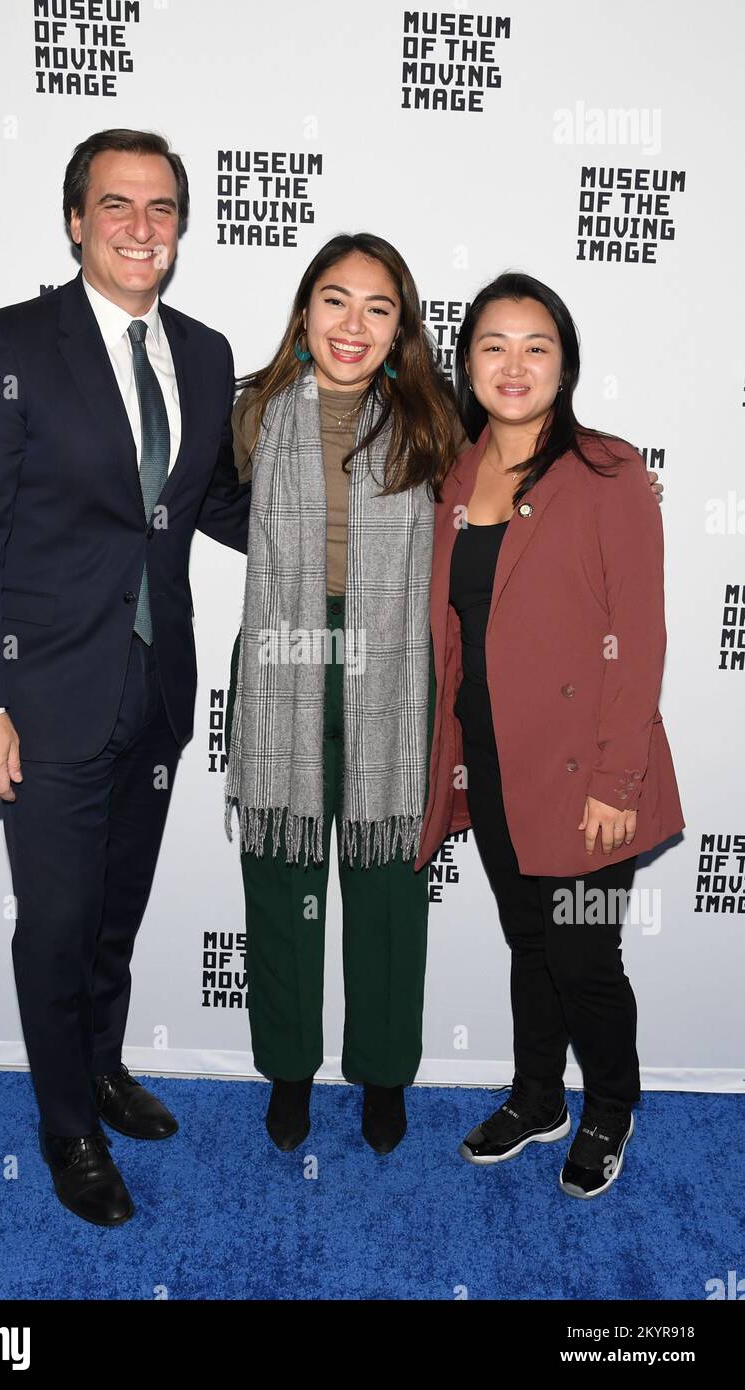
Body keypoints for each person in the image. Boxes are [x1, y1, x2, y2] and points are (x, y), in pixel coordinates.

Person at [0, 128, 250, 1226]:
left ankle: (104, 1067)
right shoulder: (10, 342)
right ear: (75, 220)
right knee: (57, 922)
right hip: (44, 696)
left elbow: (206, 503)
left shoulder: (204, 355)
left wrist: (344, 519)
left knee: (115, 912)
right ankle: (65, 1123)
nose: (138, 226)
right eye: (114, 204)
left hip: (157, 692)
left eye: (160, 207)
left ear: (180, 227)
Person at [417, 271, 683, 1198]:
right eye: (494, 345)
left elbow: (638, 636)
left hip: (585, 771)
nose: (515, 364)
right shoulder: (459, 469)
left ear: (565, 364)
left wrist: (618, 778)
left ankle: (611, 1103)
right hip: (491, 757)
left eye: (538, 346)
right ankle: (539, 1097)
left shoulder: (607, 470)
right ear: (468, 361)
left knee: (582, 951)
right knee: (528, 937)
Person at [224, 233, 460, 1155]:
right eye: (334, 299)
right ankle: (288, 1070)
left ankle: (383, 1074)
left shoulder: (437, 424)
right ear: (304, 312)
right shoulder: (251, 413)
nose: (352, 323)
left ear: (401, 327)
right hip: (285, 665)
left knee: (388, 887)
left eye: (378, 306)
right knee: (281, 879)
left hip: (395, 672)